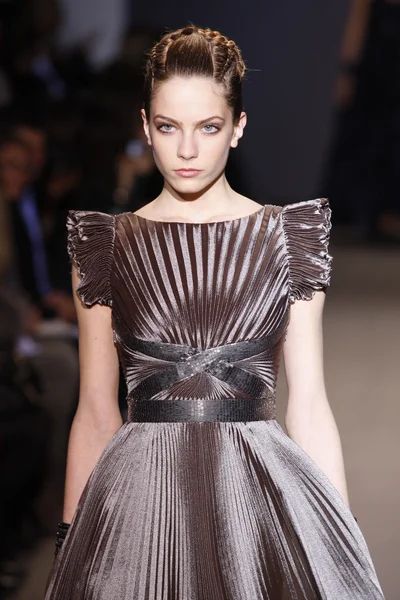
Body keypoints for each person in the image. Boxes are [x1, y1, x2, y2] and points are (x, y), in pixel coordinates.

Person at [45, 25, 385, 599]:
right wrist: (69, 543)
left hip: (255, 495)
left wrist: (340, 535)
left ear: (237, 129)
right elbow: (97, 411)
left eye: (208, 127)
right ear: (145, 127)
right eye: (168, 127)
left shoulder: (286, 238)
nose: (185, 151)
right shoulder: (105, 246)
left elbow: (307, 402)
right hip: (137, 496)